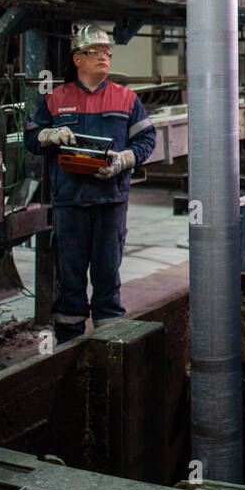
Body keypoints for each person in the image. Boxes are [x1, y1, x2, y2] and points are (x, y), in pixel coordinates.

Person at [24, 24, 157, 343]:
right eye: (94, 52)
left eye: (107, 52)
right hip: (70, 203)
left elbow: (146, 139)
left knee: (107, 276)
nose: (103, 57)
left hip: (110, 201)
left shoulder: (126, 98)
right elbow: (30, 138)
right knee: (69, 279)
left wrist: (125, 158)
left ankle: (108, 344)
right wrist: (48, 134)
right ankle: (69, 344)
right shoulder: (58, 99)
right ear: (77, 59)